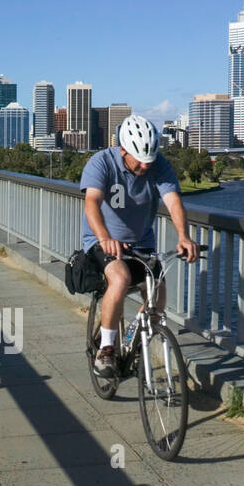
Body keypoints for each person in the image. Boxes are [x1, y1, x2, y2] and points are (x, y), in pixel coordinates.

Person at [80, 114, 199, 377]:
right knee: (120, 279)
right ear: (123, 150)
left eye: (150, 160)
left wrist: (183, 236)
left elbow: (173, 201)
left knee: (157, 292)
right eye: (139, 161)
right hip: (103, 242)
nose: (145, 167)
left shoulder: (159, 165)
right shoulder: (101, 163)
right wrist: (103, 237)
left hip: (141, 243)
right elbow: (92, 202)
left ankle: (139, 338)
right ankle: (107, 349)